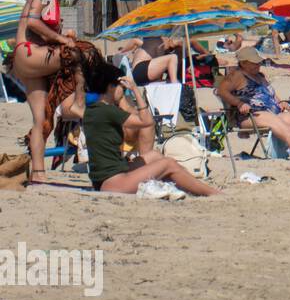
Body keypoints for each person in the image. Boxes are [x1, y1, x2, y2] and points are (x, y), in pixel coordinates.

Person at [82, 60, 218, 197]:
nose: (122, 92)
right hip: (114, 182)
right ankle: (212, 193)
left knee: (155, 156)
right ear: (111, 87)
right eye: (121, 88)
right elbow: (146, 121)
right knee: (169, 164)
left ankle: (184, 187)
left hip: (107, 178)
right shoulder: (108, 111)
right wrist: (135, 89)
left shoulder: (93, 110)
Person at [10, 0, 79, 184]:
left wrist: (60, 35)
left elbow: (40, 25)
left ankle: (38, 174)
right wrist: (61, 40)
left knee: (41, 120)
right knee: (81, 54)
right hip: (30, 53)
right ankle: (74, 107)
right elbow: (32, 20)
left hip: (29, 58)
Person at [217, 47, 290, 161]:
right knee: (281, 124)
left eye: (259, 62)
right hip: (250, 115)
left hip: (271, 113)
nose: (258, 64)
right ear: (243, 63)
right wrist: (239, 103)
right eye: (254, 63)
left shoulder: (260, 75)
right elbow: (221, 91)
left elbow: (270, 93)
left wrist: (280, 102)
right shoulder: (237, 75)